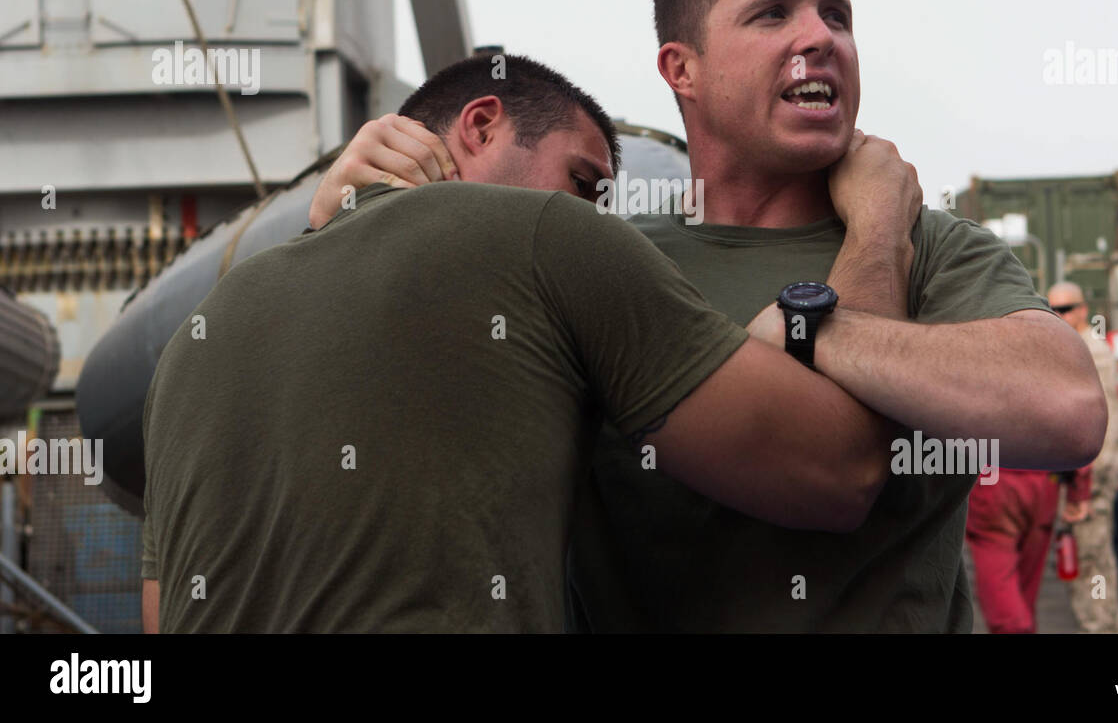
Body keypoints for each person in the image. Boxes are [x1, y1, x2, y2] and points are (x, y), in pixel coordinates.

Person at [310, 0, 1107, 632]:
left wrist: (827, 307)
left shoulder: (931, 247)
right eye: (773, 13)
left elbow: (1068, 408)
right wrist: (342, 240)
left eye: (837, 13)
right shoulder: (598, 259)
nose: (819, 36)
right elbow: (392, 433)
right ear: (680, 69)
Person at [139, 55, 895, 633]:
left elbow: (160, 611)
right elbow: (842, 469)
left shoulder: (198, 336)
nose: (599, 214)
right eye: (584, 181)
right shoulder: (545, 239)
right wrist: (878, 227)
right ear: (481, 124)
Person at [1046, 281, 1118, 633]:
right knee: (1081, 562)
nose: (1058, 316)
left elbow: (1101, 426)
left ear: (1082, 310)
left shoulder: (1092, 353)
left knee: (1093, 565)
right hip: (1079, 479)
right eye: (1053, 310)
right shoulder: (1073, 349)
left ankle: (1103, 628)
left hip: (1090, 481)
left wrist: (1088, 487)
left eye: (1065, 309)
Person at [965, 460, 1089, 633]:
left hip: (993, 481)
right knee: (1024, 592)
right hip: (1044, 481)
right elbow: (1079, 437)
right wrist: (1079, 488)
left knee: (1003, 588)